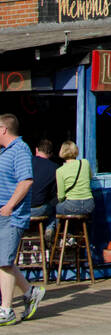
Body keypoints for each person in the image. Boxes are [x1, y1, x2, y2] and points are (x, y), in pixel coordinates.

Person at [0, 114, 44, 324]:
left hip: (11, 215)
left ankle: (7, 310)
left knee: (4, 262)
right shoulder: (5, 151)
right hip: (3, 213)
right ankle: (30, 292)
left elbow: (26, 181)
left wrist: (9, 206)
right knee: (3, 260)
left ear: (3, 129)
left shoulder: (20, 149)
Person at [54, 141, 95, 218]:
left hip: (71, 205)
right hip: (89, 205)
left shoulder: (60, 171)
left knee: (57, 207)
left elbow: (61, 197)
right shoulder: (85, 163)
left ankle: (60, 226)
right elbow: (90, 177)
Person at [30, 138, 59, 240]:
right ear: (51, 154)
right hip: (39, 210)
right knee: (56, 204)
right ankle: (50, 229)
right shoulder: (55, 168)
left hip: (21, 209)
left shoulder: (26, 162)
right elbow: (54, 193)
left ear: (36, 150)